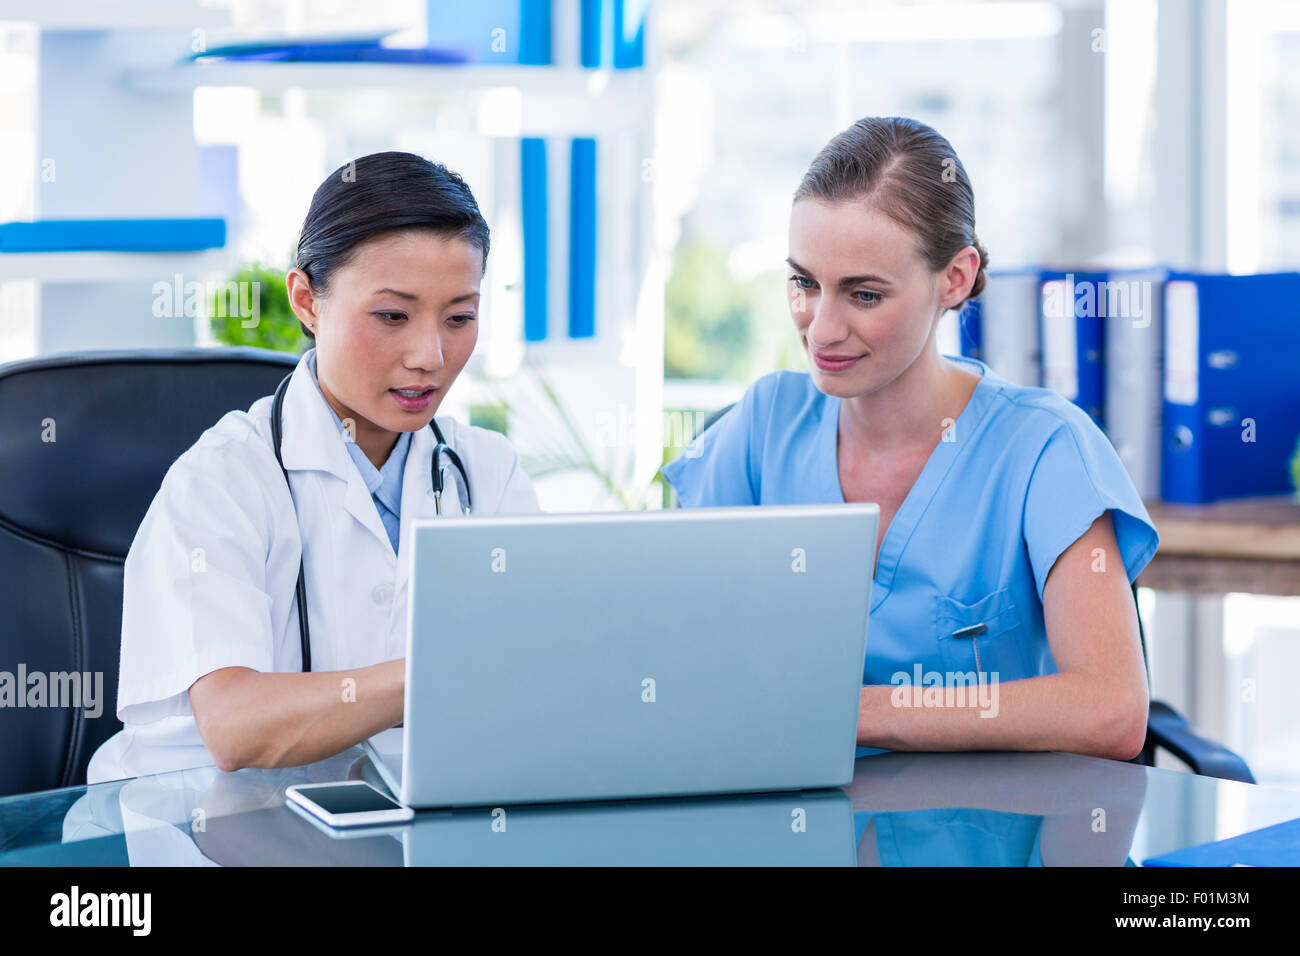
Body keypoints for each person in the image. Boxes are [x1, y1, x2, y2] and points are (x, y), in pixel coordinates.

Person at [660, 117, 1158, 762]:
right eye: (805, 284)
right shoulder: (763, 426)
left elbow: (1111, 710)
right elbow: (672, 646)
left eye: (864, 294)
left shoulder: (1044, 450)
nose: (822, 329)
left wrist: (855, 712)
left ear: (954, 278)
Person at [88, 151, 539, 783]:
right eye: (392, 316)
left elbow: (544, 674)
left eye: (460, 317)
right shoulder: (222, 479)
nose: (430, 356)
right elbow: (236, 726)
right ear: (307, 301)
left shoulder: (485, 472)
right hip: (205, 834)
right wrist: (446, 671)